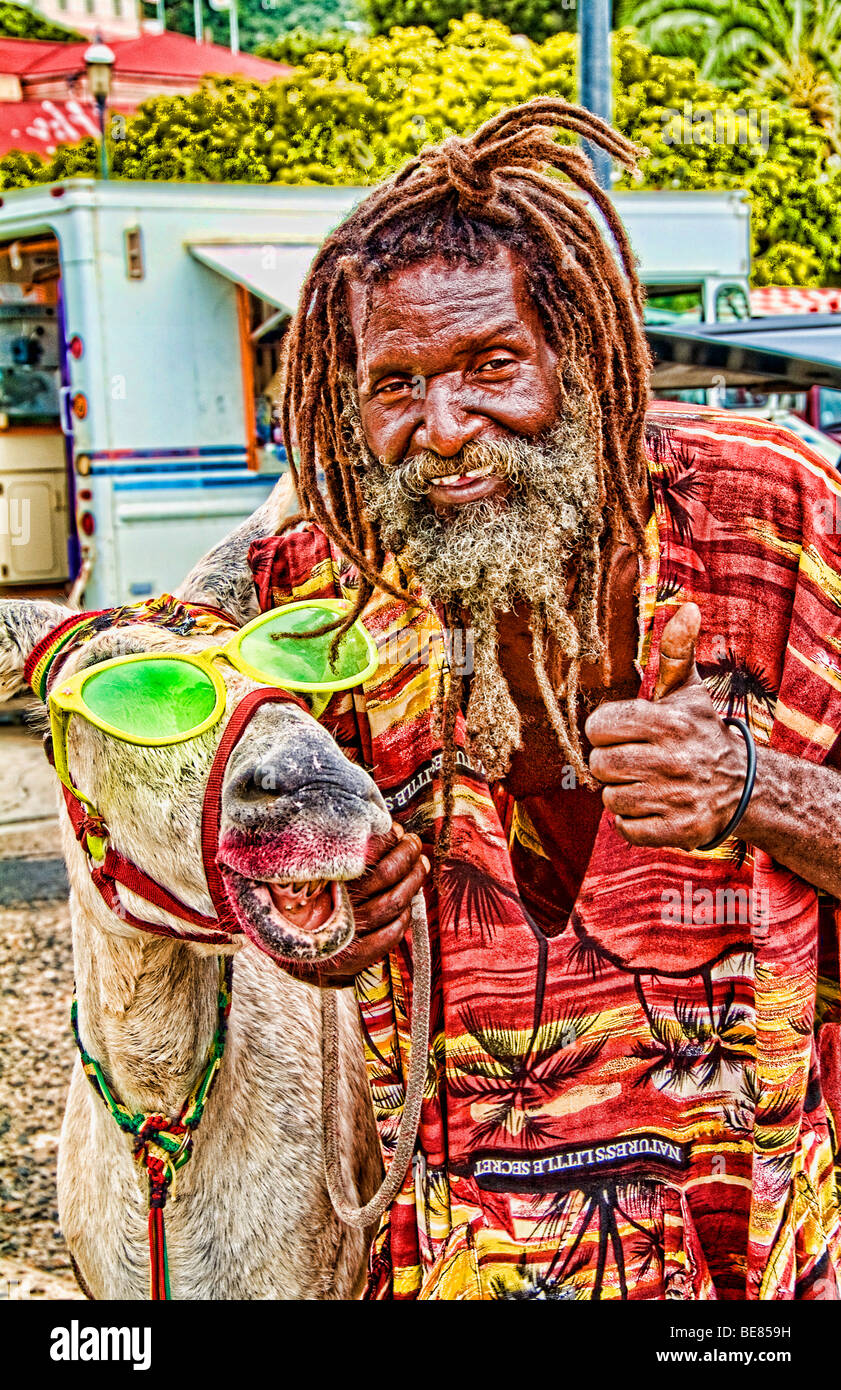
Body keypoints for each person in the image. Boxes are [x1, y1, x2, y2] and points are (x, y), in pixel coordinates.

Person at [187, 98, 841, 1299]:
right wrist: (320, 923)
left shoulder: (782, 524)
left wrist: (754, 784)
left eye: (492, 364)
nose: (443, 431)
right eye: (395, 385)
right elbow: (222, 894)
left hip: (758, 1237)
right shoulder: (315, 598)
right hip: (461, 1254)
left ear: (580, 359)